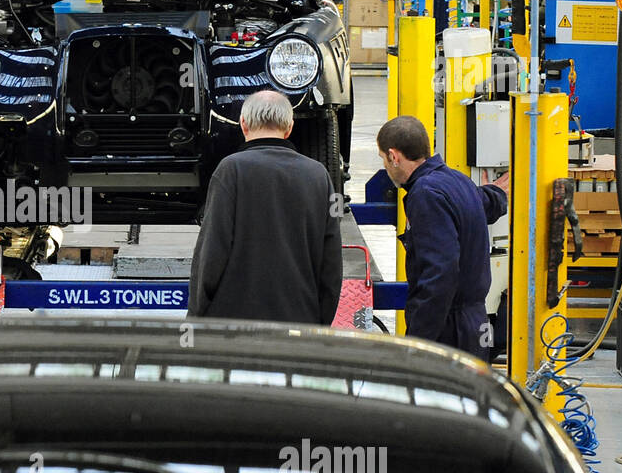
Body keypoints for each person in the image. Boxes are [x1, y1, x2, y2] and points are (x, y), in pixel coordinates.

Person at [188, 90, 342, 323]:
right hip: (299, 322)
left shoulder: (231, 170)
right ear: (289, 127)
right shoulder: (318, 175)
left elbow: (212, 250)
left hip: (233, 327)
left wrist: (196, 314)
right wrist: (321, 322)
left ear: (243, 124)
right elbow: (331, 260)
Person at [377, 115, 508, 361]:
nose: (386, 166)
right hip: (474, 323)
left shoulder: (426, 194)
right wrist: (499, 194)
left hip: (448, 332)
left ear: (394, 156)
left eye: (384, 159)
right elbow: (484, 204)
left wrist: (418, 342)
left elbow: (440, 273)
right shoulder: (458, 181)